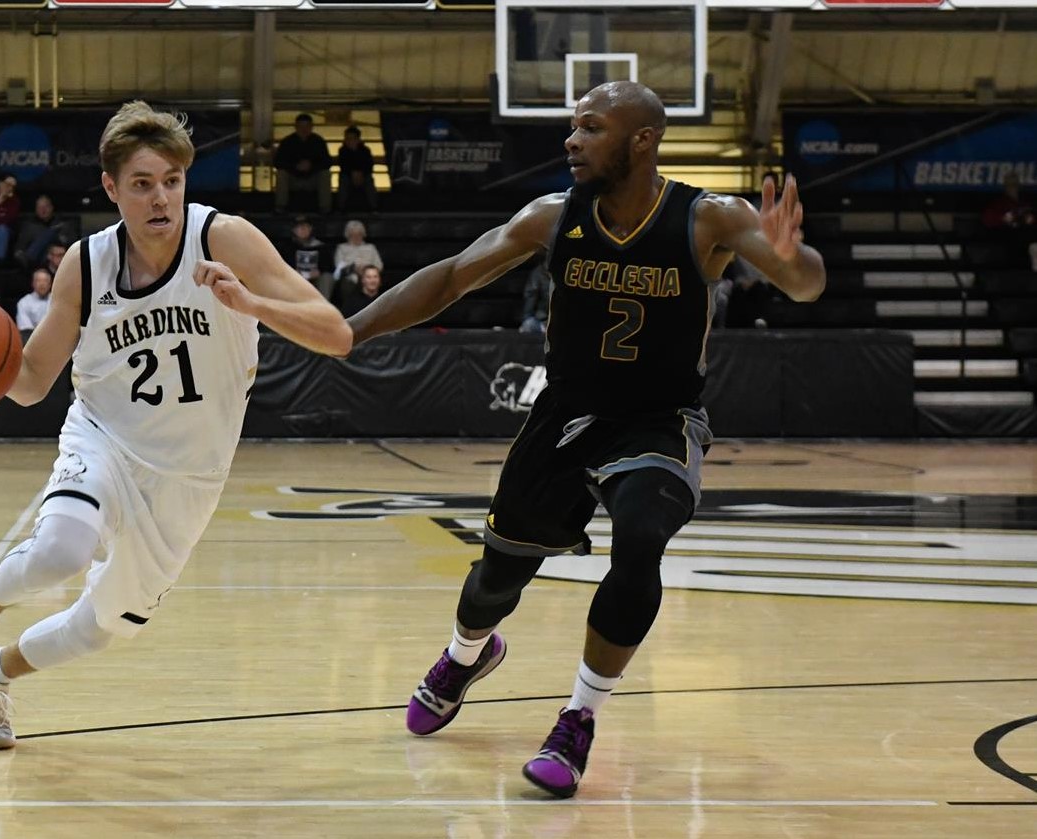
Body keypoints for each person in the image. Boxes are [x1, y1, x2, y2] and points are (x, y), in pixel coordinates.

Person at [344, 81, 825, 799]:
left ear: (641, 140)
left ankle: (577, 718)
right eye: (572, 127)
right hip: (565, 415)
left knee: (639, 538)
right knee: (492, 584)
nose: (570, 140)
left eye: (589, 128)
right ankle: (465, 654)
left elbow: (805, 285)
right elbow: (449, 278)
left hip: (658, 419)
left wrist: (793, 260)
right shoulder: (551, 216)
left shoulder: (707, 217)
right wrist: (349, 329)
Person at [0, 100, 351, 751]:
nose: (160, 197)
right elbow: (27, 384)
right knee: (60, 550)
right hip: (104, 438)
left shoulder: (225, 238)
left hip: (190, 476)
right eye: (142, 183)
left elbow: (335, 334)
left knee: (102, 626)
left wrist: (247, 301)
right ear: (111, 188)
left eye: (171, 180)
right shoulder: (86, 262)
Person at [274, 113, 333, 214]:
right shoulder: (287, 142)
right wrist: (295, 167)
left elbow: (327, 161)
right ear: (296, 127)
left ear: (311, 127)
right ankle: (280, 207)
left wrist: (311, 166)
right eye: (301, 126)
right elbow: (278, 162)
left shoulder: (318, 141)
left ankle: (325, 208)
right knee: (281, 174)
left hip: (312, 179)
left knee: (325, 174)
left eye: (307, 126)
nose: (304, 129)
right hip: (293, 179)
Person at [15, 194, 77, 272]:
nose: (43, 210)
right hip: (36, 264)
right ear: (36, 209)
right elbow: (20, 249)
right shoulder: (29, 227)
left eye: (46, 207)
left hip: (61, 262)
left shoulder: (64, 225)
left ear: (51, 208)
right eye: (40, 208)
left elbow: (73, 245)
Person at [284, 215, 333, 300]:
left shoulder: (321, 246)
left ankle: (323, 307)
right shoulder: (287, 247)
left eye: (305, 227)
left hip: (316, 277)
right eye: (299, 227)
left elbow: (330, 266)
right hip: (295, 276)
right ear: (294, 230)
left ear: (310, 229)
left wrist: (319, 271)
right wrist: (293, 271)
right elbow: (282, 264)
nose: (303, 230)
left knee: (327, 276)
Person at [336, 126, 377, 212]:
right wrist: (352, 174)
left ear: (358, 139)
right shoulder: (342, 150)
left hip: (364, 176)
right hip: (348, 176)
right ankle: (341, 209)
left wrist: (361, 174)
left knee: (369, 180)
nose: (350, 141)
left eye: (352, 138)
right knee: (343, 179)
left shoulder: (365, 150)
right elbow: (343, 166)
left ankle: (374, 208)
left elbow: (369, 166)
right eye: (348, 138)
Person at [333, 219, 383, 285]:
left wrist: (366, 269)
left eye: (359, 234)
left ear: (363, 234)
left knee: (370, 279)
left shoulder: (370, 247)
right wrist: (353, 269)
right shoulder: (342, 248)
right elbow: (339, 267)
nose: (356, 237)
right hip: (349, 277)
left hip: (369, 275)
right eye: (353, 235)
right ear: (348, 235)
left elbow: (379, 265)